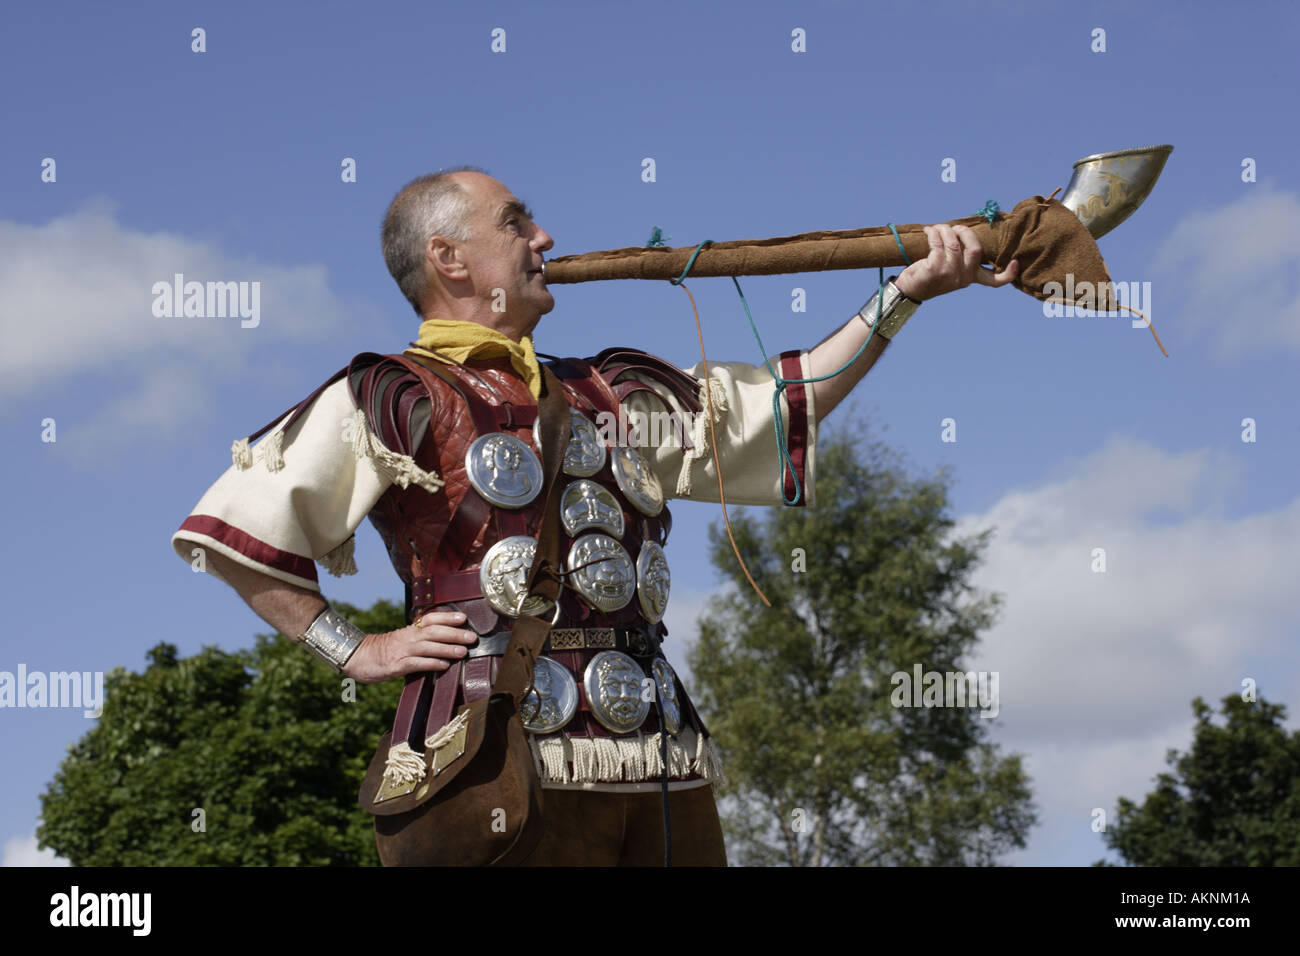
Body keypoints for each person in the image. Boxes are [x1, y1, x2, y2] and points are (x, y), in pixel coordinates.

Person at [172, 167, 1018, 866]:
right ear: (450, 258)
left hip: (660, 757)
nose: (543, 238)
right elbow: (237, 533)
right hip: (488, 758)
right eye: (517, 223)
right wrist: (354, 649)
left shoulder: (606, 390)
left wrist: (908, 293)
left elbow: (784, 406)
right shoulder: (390, 394)